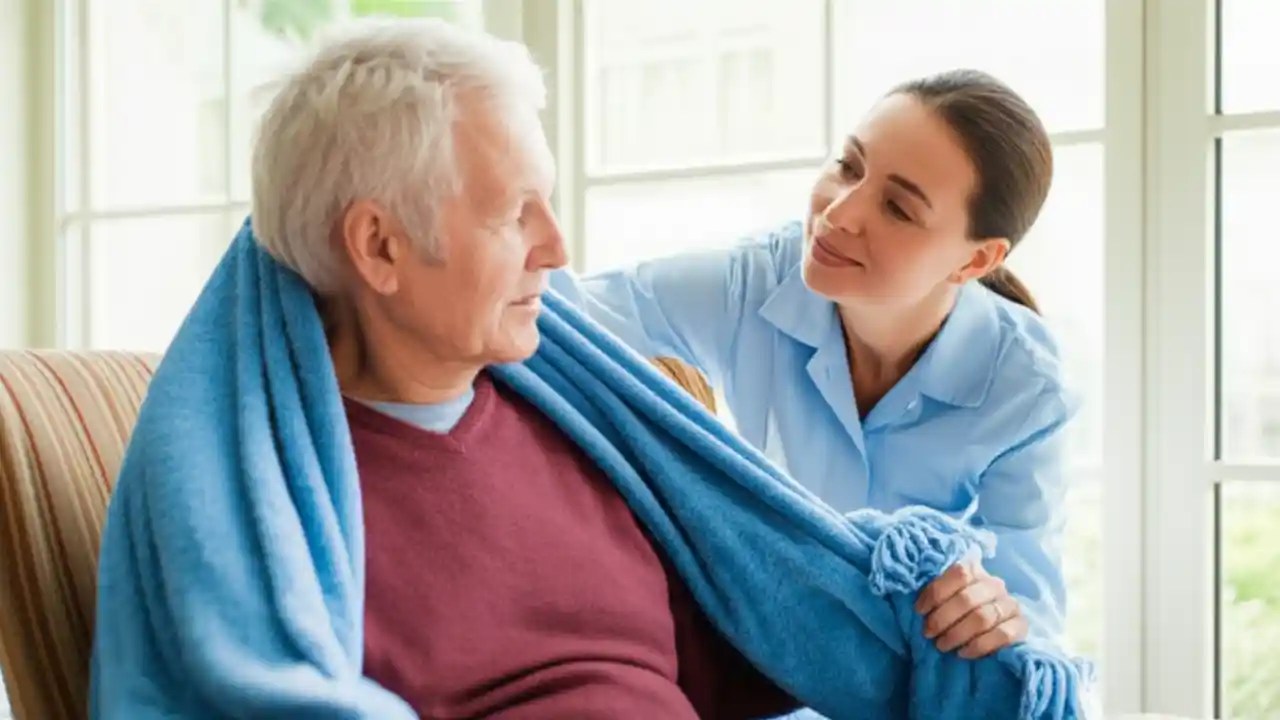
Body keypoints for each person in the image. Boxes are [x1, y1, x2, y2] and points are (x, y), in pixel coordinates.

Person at [92, 19, 801, 718]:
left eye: (548, 203)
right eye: (514, 214)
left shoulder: (589, 431)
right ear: (379, 246)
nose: (556, 249)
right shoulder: (278, 515)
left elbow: (751, 662)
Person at [554, 68, 1076, 659]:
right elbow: (551, 309)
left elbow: (1030, 615)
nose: (838, 214)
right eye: (849, 166)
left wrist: (991, 611)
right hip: (769, 660)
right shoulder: (754, 283)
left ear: (975, 261)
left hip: (912, 669)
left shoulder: (1027, 386)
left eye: (897, 208)